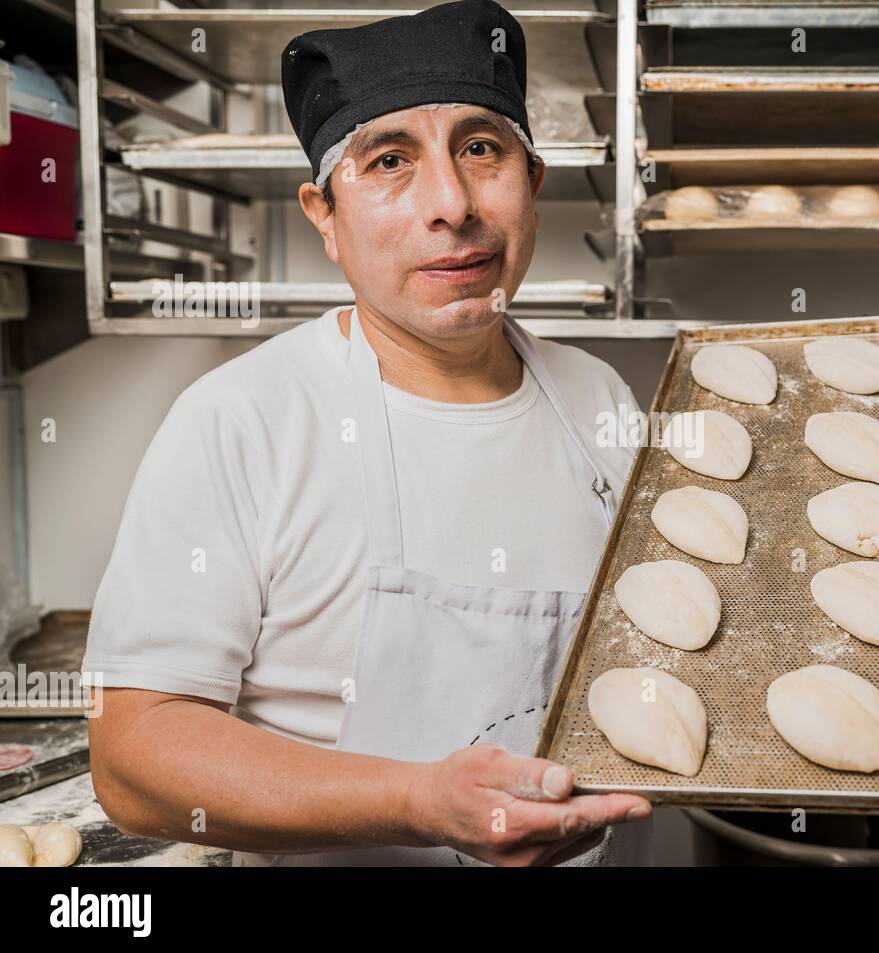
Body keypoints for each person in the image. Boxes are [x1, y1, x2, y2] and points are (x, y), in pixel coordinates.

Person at [83, 0, 654, 866]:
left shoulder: (601, 400)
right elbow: (134, 756)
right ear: (324, 216)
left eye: (480, 148)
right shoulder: (243, 422)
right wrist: (418, 803)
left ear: (531, 184)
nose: (451, 205)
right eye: (389, 160)